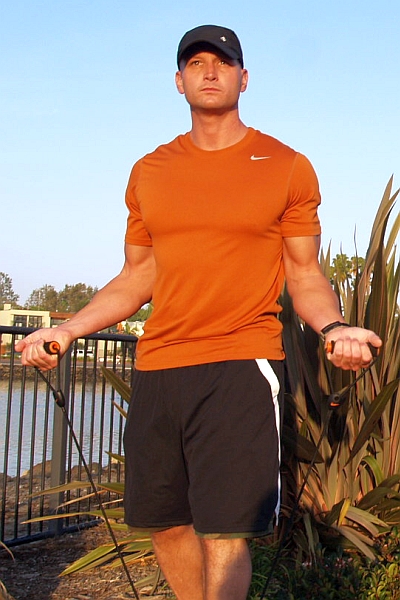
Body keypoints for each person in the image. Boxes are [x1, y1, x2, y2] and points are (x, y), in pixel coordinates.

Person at [16, 24, 382, 600]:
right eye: (196, 63)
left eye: (223, 62)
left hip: (240, 364)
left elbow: (305, 273)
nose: (210, 72)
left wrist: (335, 327)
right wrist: (66, 328)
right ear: (178, 81)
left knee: (225, 532)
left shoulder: (286, 165)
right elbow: (137, 276)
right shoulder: (149, 171)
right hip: (160, 365)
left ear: (244, 77)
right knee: (164, 524)